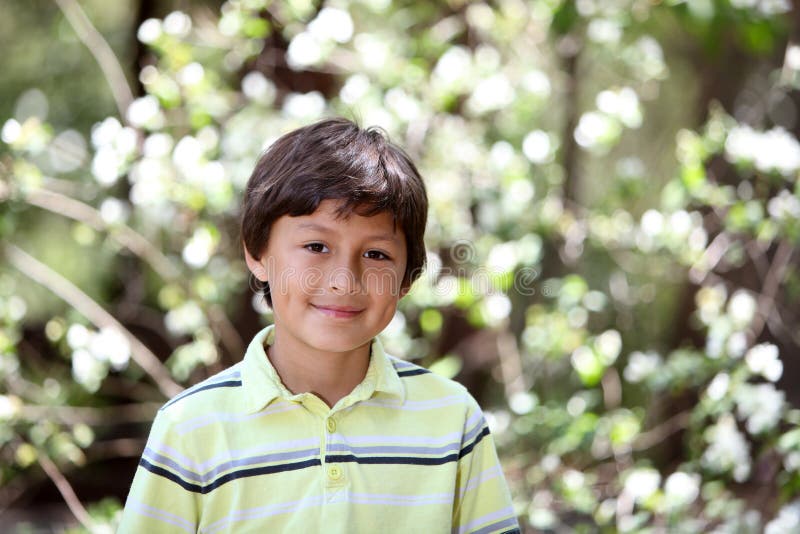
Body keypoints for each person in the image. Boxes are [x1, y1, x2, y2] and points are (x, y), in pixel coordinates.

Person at [118, 117, 519, 533]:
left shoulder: (452, 420)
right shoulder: (190, 429)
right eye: (316, 246)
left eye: (376, 254)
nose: (344, 280)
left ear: (407, 277)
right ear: (257, 253)